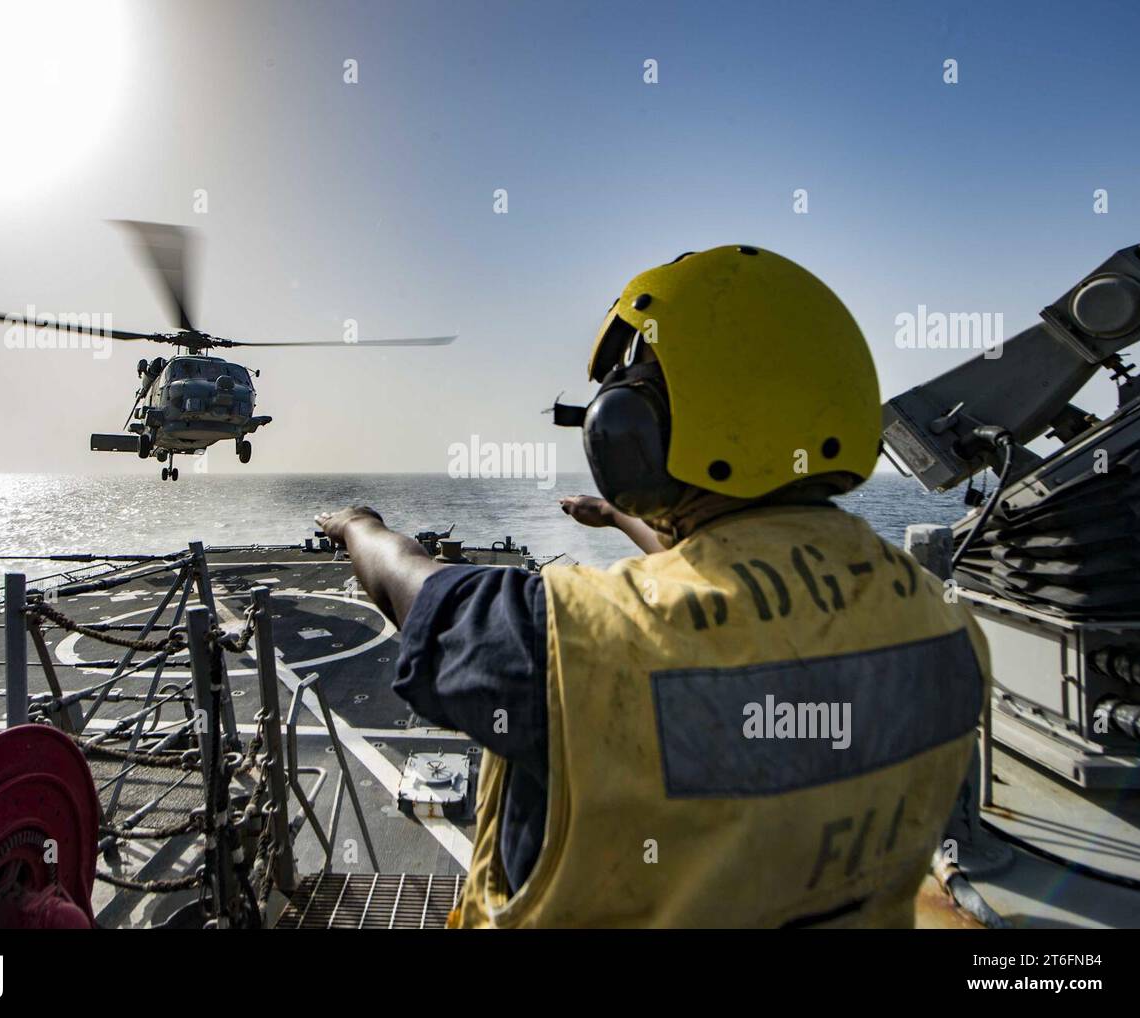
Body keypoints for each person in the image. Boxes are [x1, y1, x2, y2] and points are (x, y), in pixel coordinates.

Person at [315, 244, 989, 928]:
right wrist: (618, 517)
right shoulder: (948, 627)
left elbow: (425, 595)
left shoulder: (569, 643)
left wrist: (357, 525)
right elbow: (727, 581)